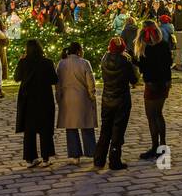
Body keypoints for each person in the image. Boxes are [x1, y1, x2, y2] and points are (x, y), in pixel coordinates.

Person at [94, 36, 139, 171]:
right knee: (118, 131)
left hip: (107, 98)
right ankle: (114, 160)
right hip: (122, 100)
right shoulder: (125, 61)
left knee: (105, 129)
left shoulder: (104, 59)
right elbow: (134, 79)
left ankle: (99, 159)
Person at [13, 39, 58, 168]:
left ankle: (31, 158)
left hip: (28, 100)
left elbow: (17, 77)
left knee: (29, 131)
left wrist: (20, 62)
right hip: (44, 99)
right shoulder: (47, 62)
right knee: (45, 129)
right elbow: (54, 79)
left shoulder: (23, 62)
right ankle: (46, 157)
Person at [134, 19, 173, 159]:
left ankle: (155, 146)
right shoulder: (162, 44)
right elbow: (169, 62)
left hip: (151, 83)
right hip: (164, 82)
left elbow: (143, 67)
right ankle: (162, 144)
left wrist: (133, 60)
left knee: (151, 116)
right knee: (159, 114)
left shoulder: (145, 47)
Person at [56, 42, 97, 163]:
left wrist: (58, 98)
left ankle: (75, 155)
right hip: (83, 97)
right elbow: (90, 80)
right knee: (87, 126)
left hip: (67, 98)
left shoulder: (61, 63)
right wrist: (92, 94)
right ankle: (92, 152)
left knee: (71, 128)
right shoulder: (84, 62)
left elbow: (58, 83)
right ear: (79, 51)